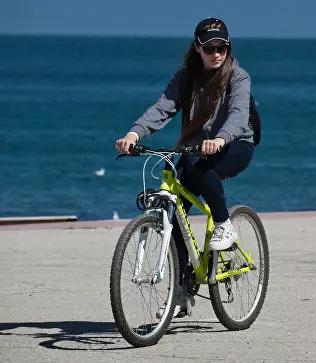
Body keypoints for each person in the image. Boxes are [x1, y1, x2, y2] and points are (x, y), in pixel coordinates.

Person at [115, 17, 256, 317]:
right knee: (174, 207)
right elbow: (163, 107)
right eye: (209, 47)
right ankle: (182, 290)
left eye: (222, 47)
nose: (216, 53)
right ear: (197, 48)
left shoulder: (238, 77)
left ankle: (224, 225)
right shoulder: (186, 77)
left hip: (235, 145)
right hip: (196, 150)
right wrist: (134, 133)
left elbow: (238, 115)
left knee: (202, 170)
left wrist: (220, 138)